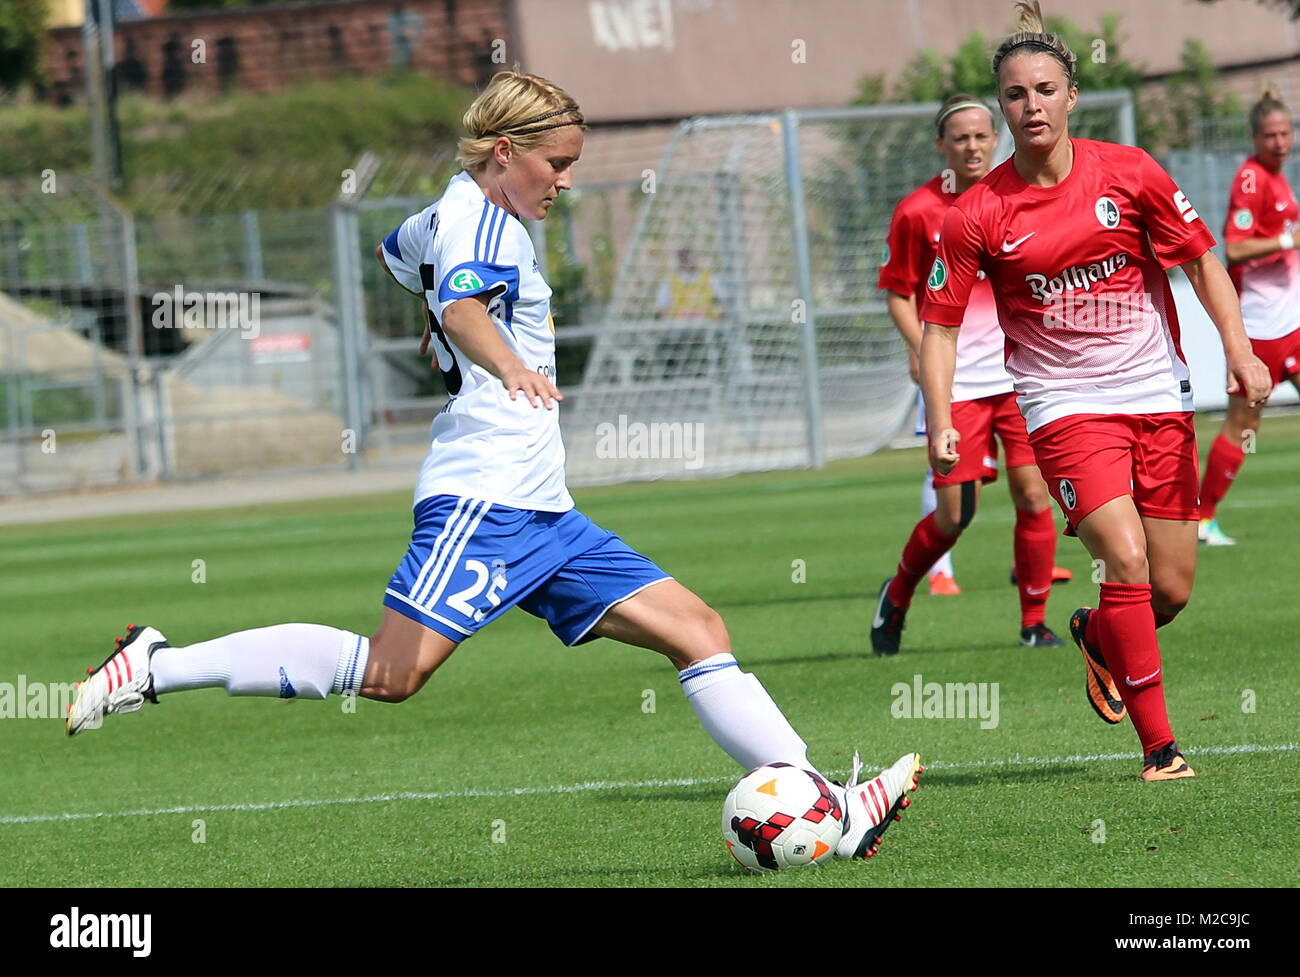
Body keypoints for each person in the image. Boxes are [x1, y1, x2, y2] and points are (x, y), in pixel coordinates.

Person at [64, 71, 921, 860]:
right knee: (392, 673)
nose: (568, 181)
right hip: (487, 498)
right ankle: (154, 665)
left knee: (697, 629)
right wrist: (502, 361)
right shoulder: (476, 220)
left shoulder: (452, 216)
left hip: (542, 507)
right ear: (505, 152)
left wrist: (459, 330)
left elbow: (396, 257)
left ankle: (831, 808)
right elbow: (462, 302)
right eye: (558, 163)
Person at [918, 2, 1271, 781]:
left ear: (1072, 95)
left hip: (1156, 391)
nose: (1030, 105)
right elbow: (939, 325)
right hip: (1062, 403)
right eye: (1015, 94)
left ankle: (1097, 633)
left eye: (1045, 89)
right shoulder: (979, 211)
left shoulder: (1130, 171)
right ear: (1001, 104)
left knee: (1168, 591)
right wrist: (940, 419)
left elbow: (1203, 260)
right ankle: (1161, 749)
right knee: (1126, 557)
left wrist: (1239, 352)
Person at [873, 92, 1065, 654]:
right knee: (954, 517)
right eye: (961, 138)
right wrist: (922, 348)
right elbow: (899, 295)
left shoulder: (1017, 198)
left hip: (1020, 376)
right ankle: (900, 593)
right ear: (942, 146)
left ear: (996, 137)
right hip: (957, 385)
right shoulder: (917, 211)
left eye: (982, 135)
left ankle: (1034, 623)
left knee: (1034, 495)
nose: (974, 146)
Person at [1197, 86, 1300, 546]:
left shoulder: (1279, 177)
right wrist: (1286, 241)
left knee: (1246, 427)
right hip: (1259, 331)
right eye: (1269, 135)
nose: (1279, 142)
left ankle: (1202, 518)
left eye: (1285, 133)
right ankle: (1201, 519)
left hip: (1291, 325)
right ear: (1254, 137)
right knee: (1244, 426)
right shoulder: (1252, 179)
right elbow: (1234, 248)